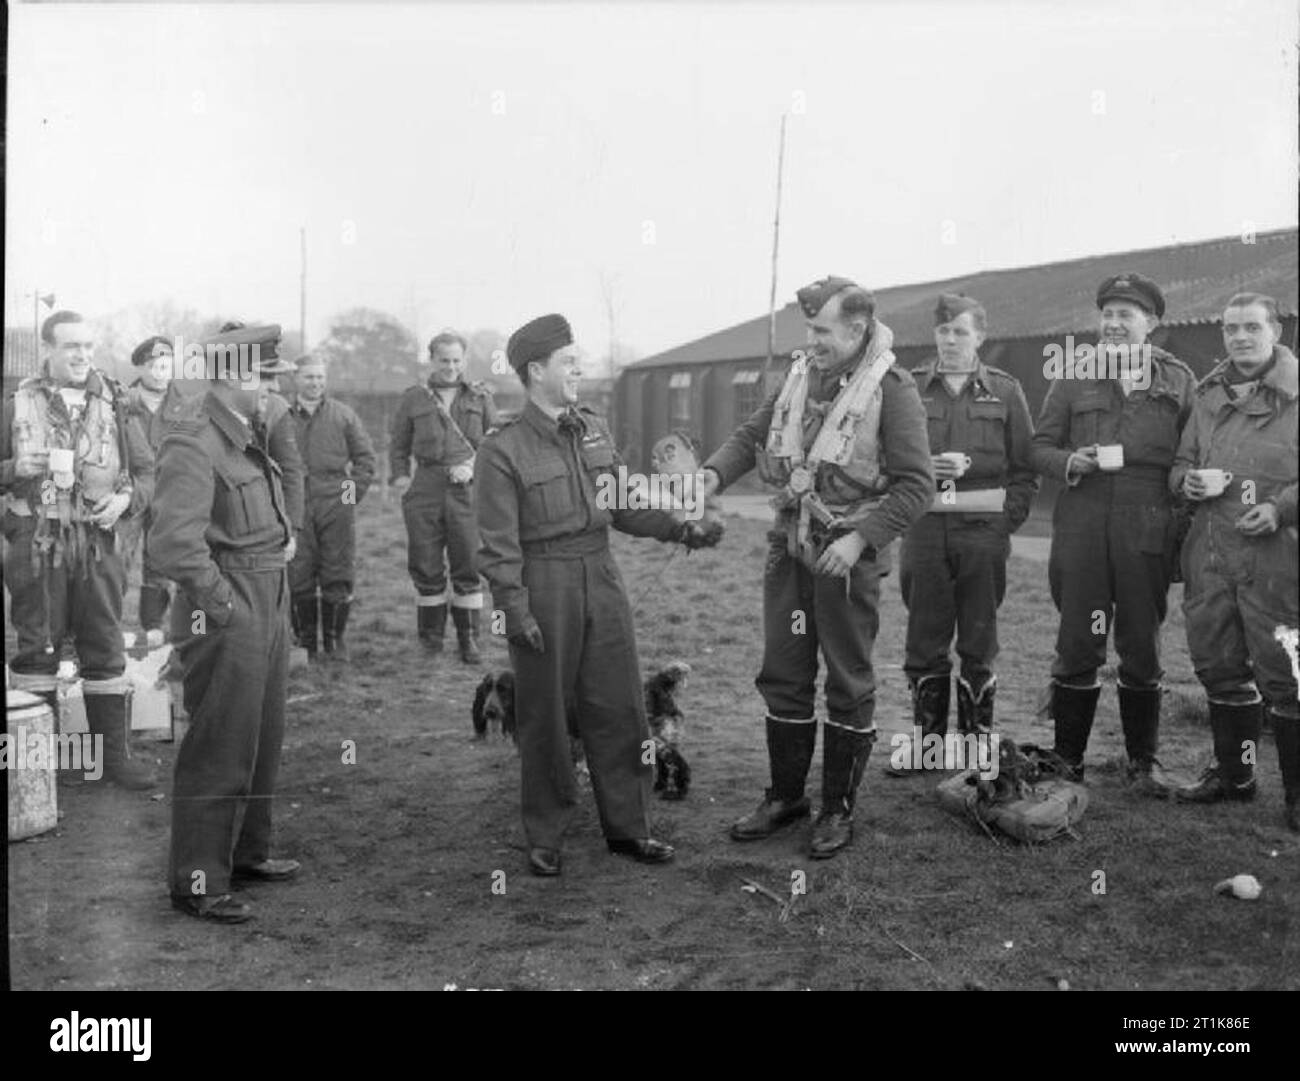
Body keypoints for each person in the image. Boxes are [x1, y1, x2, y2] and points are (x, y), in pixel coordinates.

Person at [476, 313, 719, 876]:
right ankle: (546, 835)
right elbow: (496, 543)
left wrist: (680, 526)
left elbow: (623, 503)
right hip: (544, 584)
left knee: (619, 707)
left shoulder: (593, 430)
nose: (579, 368)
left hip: (600, 577)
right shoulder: (502, 450)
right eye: (568, 361)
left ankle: (629, 828)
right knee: (544, 715)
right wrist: (514, 610)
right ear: (536, 371)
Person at [702, 276, 934, 857]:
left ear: (857, 330)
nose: (812, 339)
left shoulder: (895, 389)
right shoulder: (800, 375)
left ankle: (837, 810)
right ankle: (785, 797)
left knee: (848, 680)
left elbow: (916, 487)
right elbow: (756, 431)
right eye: (809, 328)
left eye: (822, 329)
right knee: (783, 670)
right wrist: (712, 475)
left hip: (844, 557)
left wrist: (860, 542)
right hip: (790, 549)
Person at [150, 323, 299, 923]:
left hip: (269, 593)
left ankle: (246, 853)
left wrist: (282, 545)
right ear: (235, 375)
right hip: (229, 606)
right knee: (220, 743)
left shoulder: (244, 435)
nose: (270, 388)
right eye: (264, 377)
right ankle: (197, 879)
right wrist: (226, 608)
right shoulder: (194, 441)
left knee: (262, 735)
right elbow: (174, 546)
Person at [1030, 272, 1195, 792]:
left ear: (1152, 323)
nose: (1115, 323)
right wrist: (1069, 462)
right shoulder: (1075, 376)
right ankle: (1066, 761)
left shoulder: (1178, 379)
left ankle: (1142, 762)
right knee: (1080, 638)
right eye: (1108, 314)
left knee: (1141, 642)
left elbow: (1192, 455)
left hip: (1148, 520)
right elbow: (1037, 447)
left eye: (1127, 314)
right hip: (1083, 518)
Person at [1, 310, 155, 788]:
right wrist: (14, 468)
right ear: (48, 349)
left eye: (88, 346)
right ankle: (37, 768)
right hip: (36, 543)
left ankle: (113, 760)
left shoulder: (116, 402)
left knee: (105, 645)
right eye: (71, 346)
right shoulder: (15, 403)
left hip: (99, 543)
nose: (82, 355)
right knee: (36, 649)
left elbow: (149, 472)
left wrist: (126, 499)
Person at [886, 294, 1038, 775]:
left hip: (981, 534)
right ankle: (928, 747)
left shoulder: (1006, 392)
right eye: (943, 332)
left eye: (960, 332)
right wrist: (919, 470)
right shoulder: (907, 388)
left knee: (978, 638)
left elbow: (1026, 467)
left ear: (980, 337)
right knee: (925, 638)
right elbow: (883, 459)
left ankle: (976, 747)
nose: (950, 341)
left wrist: (1004, 523)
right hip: (925, 530)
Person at [1170, 293, 1298, 831]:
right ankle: (1236, 776)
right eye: (1230, 329)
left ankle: (1297, 798)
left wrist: (1280, 507)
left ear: (1275, 331)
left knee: (1286, 674)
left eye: (1251, 327)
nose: (1239, 337)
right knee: (1219, 665)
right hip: (1213, 550)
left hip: (1278, 555)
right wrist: (1187, 482)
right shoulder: (1206, 395)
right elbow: (1179, 465)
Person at [391, 331, 499, 662]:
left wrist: (472, 467)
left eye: (456, 360)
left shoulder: (480, 398)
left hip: (466, 491)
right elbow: (398, 444)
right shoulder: (414, 398)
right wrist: (401, 477)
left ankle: (469, 639)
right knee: (425, 563)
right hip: (425, 486)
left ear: (464, 361)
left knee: (468, 561)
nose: (450, 367)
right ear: (432, 360)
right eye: (443, 360)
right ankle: (431, 638)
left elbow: (495, 446)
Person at [286, 354, 376, 659]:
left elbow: (365, 460)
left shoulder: (343, 415)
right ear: (295, 379)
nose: (315, 383)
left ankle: (335, 640)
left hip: (335, 503)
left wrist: (348, 498)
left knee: (337, 571)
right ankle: (305, 641)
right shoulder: (279, 414)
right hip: (295, 506)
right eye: (309, 377)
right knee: (298, 573)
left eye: (320, 377)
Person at [120, 335, 176, 646]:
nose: (159, 372)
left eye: (165, 366)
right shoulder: (122, 402)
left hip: (169, 493)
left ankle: (152, 629)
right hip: (132, 492)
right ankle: (106, 627)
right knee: (118, 557)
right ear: (141, 367)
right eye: (153, 365)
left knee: (161, 561)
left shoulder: (184, 405)